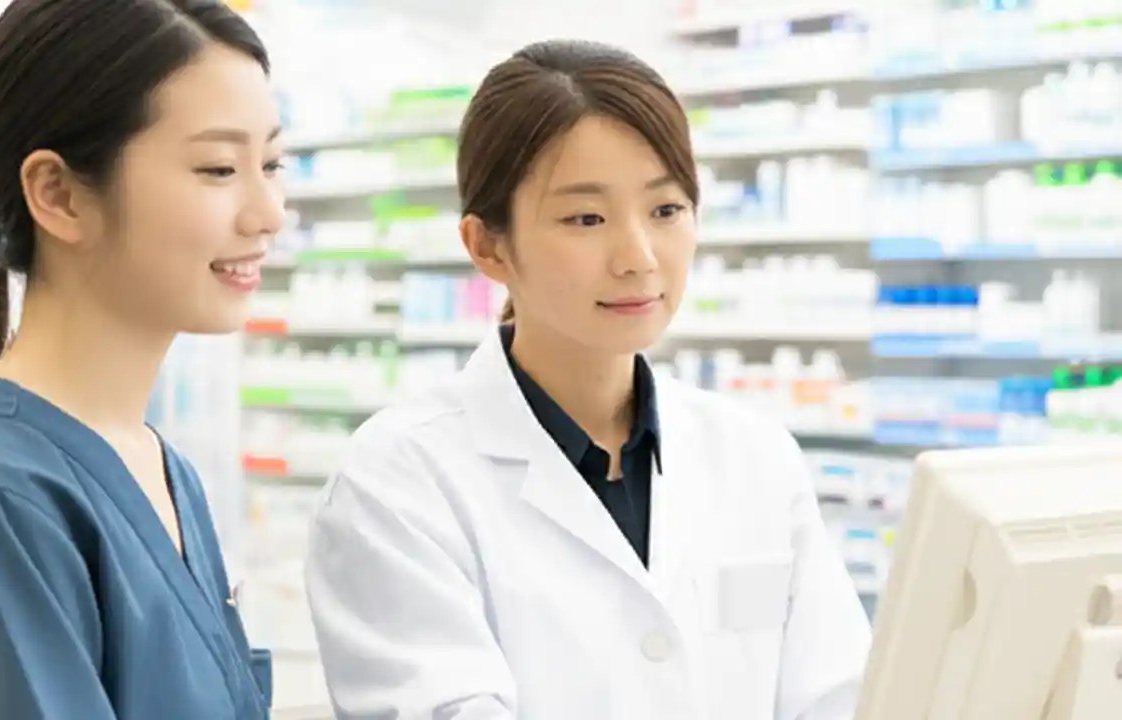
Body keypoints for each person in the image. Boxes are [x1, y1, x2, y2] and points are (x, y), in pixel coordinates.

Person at [305, 39, 870, 720]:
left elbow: (842, 699)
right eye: (586, 219)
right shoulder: (401, 480)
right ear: (488, 246)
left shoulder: (755, 457)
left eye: (665, 211)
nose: (638, 258)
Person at [0, 1, 284, 718]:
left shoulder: (164, 473)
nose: (269, 212)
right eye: (218, 167)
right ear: (58, 193)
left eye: (272, 162)